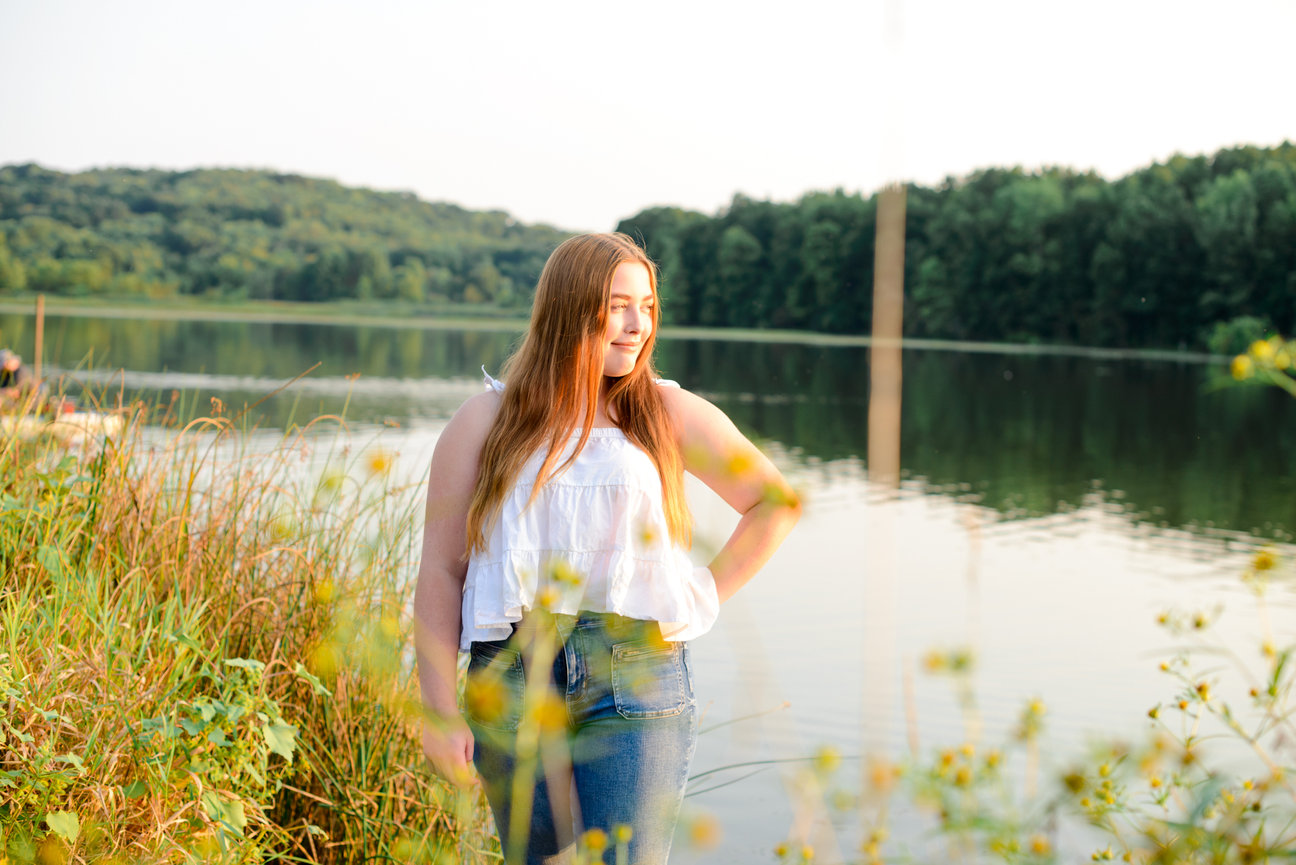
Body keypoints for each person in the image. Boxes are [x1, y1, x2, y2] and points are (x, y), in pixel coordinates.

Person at [414, 233, 800, 865]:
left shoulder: (666, 411)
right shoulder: (486, 421)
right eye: (619, 305)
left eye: (647, 306)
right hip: (512, 673)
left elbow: (773, 504)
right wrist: (437, 710)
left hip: (637, 673)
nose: (637, 325)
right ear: (569, 307)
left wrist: (698, 595)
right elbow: (442, 571)